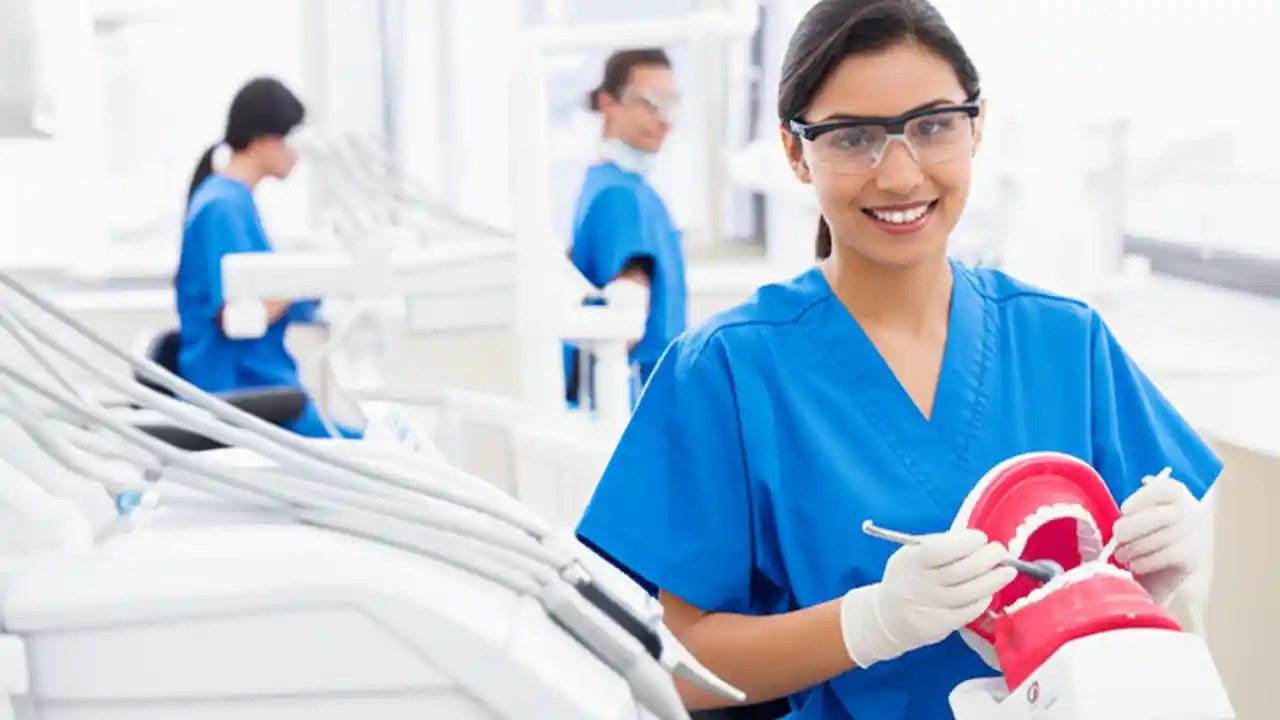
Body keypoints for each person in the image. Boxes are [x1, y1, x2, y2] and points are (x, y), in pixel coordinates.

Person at [574, 2, 1221, 719]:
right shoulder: (726, 372)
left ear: (976, 128)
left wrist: (1170, 561)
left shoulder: (1065, 342)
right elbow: (677, 668)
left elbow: (1146, 590)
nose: (901, 174)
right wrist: (867, 623)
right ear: (796, 152)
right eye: (853, 138)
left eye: (934, 125)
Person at [176, 77, 360, 439]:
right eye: (292, 140)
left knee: (377, 449)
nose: (298, 154)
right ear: (262, 140)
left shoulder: (233, 202)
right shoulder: (222, 208)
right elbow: (239, 313)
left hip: (260, 385)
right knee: (377, 457)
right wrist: (305, 279)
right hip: (243, 392)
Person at [564, 48, 688, 409]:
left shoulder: (606, 186)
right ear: (607, 102)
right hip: (635, 403)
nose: (663, 119)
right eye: (648, 102)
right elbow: (626, 315)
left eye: (671, 103)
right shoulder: (622, 195)